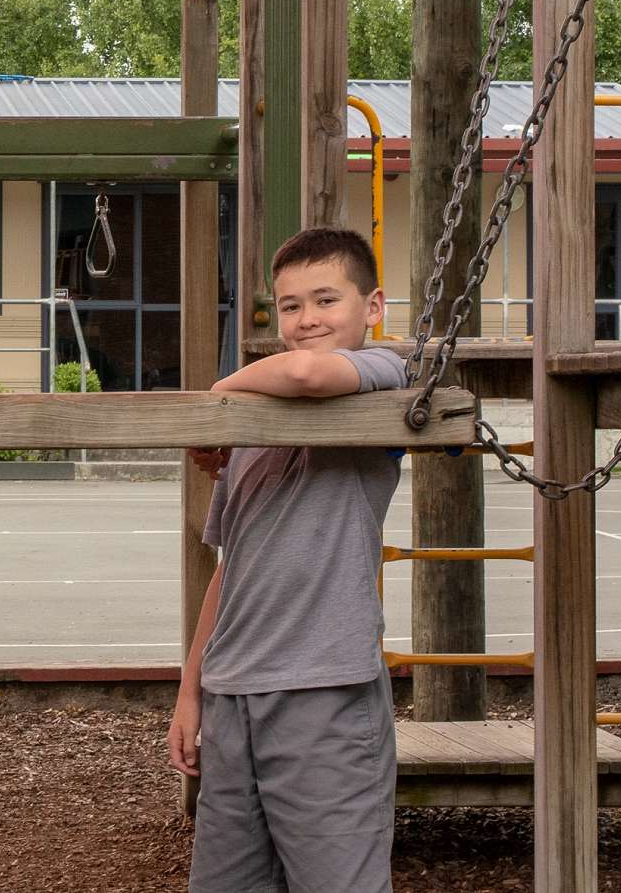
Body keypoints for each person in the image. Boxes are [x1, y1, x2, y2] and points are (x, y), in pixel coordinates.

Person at [167, 226, 405, 893]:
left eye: (326, 300)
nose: (307, 320)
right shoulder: (253, 426)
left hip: (323, 691)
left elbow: (307, 371)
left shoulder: (386, 374)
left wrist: (216, 399)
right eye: (290, 306)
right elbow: (229, 568)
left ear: (373, 306)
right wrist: (192, 692)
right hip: (232, 692)